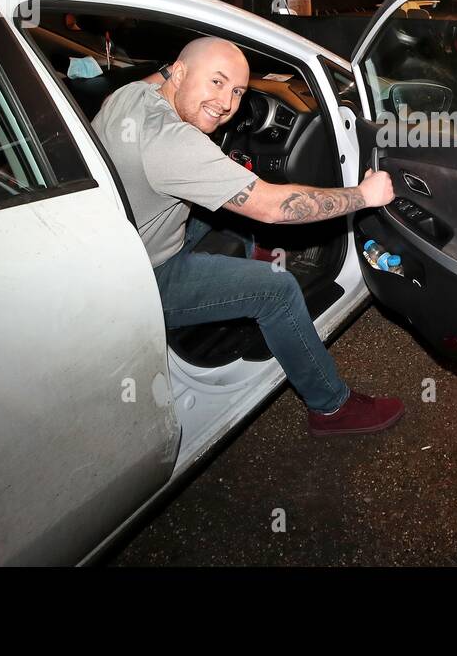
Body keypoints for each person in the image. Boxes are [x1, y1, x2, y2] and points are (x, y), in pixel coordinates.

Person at [92, 36, 404, 436]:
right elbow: (273, 207)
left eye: (238, 91)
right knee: (278, 289)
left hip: (122, 239)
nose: (226, 104)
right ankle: (331, 408)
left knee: (217, 209)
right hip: (141, 278)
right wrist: (364, 195)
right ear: (182, 72)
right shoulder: (172, 141)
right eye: (217, 82)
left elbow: (155, 91)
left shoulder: (131, 94)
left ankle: (245, 263)